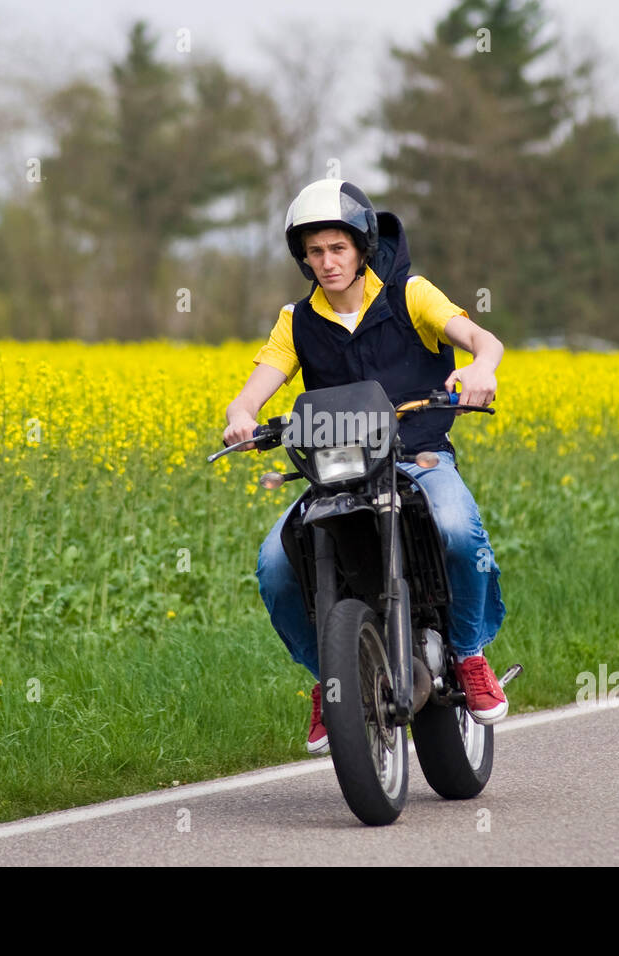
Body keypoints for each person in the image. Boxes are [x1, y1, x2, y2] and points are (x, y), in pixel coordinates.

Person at [222, 179, 508, 755]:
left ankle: (471, 654)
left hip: (417, 457)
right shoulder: (296, 321)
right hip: (337, 470)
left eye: (337, 249)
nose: (326, 262)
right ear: (302, 258)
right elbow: (255, 390)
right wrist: (241, 412)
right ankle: (330, 684)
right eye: (314, 251)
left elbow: (484, 339)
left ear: (362, 248)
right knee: (275, 564)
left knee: (457, 530)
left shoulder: (411, 294)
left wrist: (482, 366)